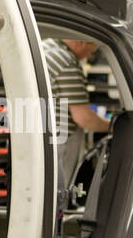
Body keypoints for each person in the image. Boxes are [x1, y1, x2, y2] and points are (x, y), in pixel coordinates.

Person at [41, 38, 110, 203]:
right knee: (56, 201)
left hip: (37, 139)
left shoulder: (43, 49)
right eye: (91, 51)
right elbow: (83, 118)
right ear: (80, 42)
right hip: (58, 143)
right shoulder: (66, 61)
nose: (88, 56)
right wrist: (114, 126)